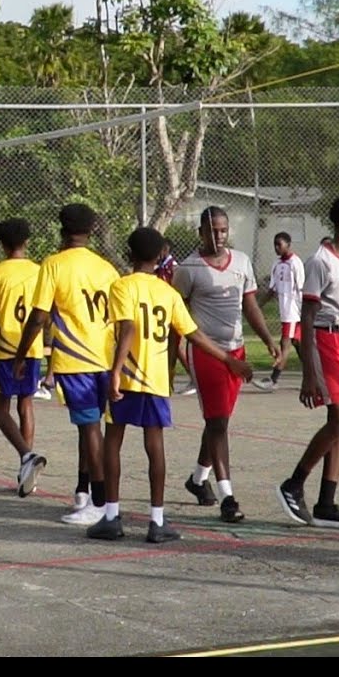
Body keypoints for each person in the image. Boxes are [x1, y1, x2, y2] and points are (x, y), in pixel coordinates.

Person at [88, 227, 253, 544]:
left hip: (128, 376)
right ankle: (157, 520)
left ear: (130, 253)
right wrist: (227, 359)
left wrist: (115, 373)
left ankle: (111, 515)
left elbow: (127, 330)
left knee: (114, 439)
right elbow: (194, 334)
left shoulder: (122, 287)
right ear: (161, 254)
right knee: (155, 446)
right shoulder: (168, 293)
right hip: (156, 377)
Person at [13, 203, 121, 525]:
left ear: (62, 229)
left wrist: (21, 354)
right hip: (105, 355)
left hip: (77, 360)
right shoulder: (107, 268)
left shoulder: (54, 265)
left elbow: (39, 316)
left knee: (89, 428)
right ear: (91, 231)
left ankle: (101, 502)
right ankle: (84, 491)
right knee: (90, 428)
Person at [274, 195, 339, 529]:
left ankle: (327, 502)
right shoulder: (320, 261)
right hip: (326, 340)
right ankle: (293, 484)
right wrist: (308, 374)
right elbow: (307, 316)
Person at [173, 206, 279, 524]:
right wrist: (175, 359)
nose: (218, 236)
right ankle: (227, 496)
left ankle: (197, 478)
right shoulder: (188, 268)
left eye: (222, 230)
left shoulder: (242, 261)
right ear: (201, 233)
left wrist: (268, 339)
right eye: (211, 231)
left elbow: (249, 306)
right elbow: (178, 317)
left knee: (218, 422)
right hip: (207, 353)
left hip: (238, 351)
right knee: (218, 423)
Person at [0, 218, 48, 497]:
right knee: (26, 404)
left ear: (2, 244)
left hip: (6, 349)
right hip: (31, 347)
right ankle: (26, 469)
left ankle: (26, 455)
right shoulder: (39, 271)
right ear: (27, 241)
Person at [255, 232, 305, 392]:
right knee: (299, 344)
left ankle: (273, 379)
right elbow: (272, 289)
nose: (276, 248)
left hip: (294, 311)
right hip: (285, 311)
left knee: (285, 344)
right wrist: (257, 306)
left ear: (288, 245)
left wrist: (304, 311)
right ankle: (314, 375)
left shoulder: (295, 263)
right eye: (275, 244)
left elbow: (301, 289)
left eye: (279, 244)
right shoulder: (276, 264)